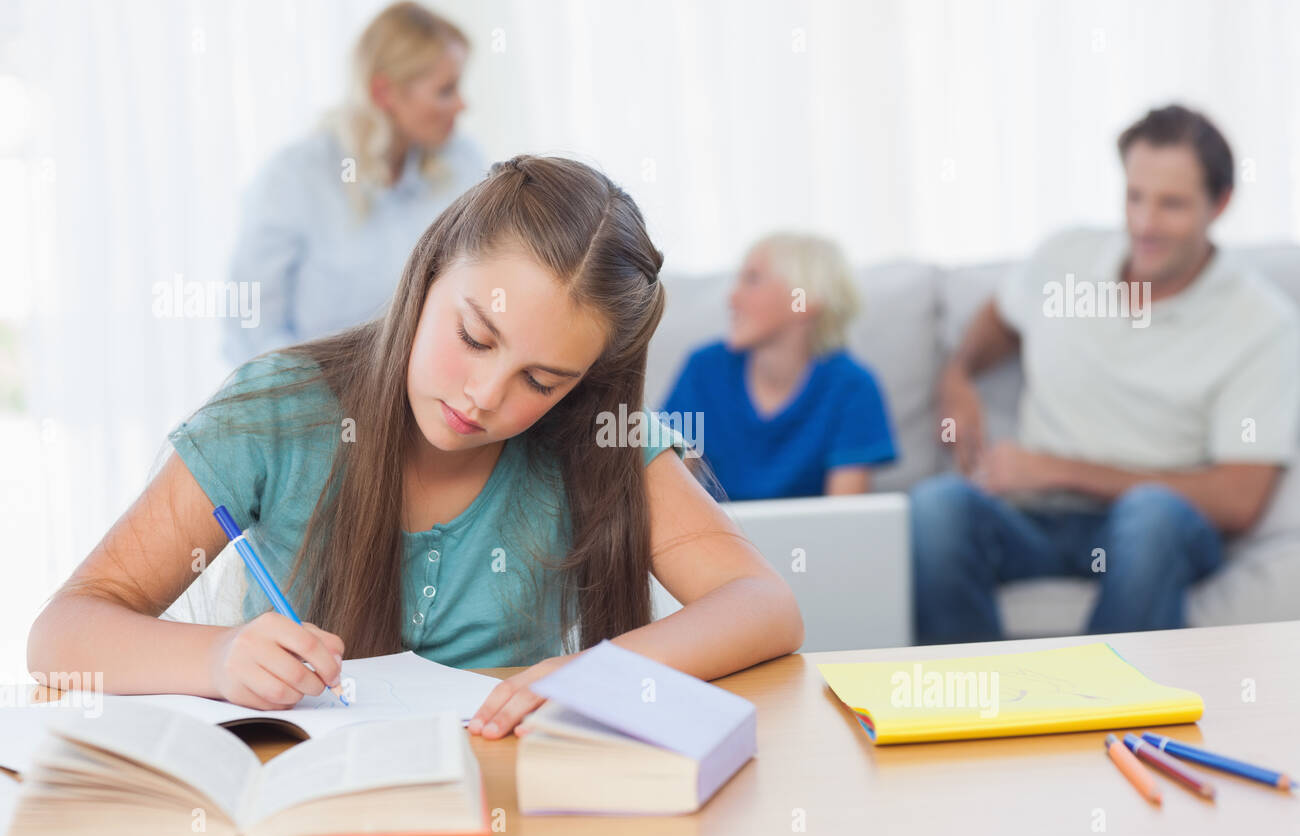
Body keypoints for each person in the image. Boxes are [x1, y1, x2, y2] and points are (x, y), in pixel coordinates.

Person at [28, 156, 804, 740]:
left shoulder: (594, 439)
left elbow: (764, 604)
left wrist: (601, 673)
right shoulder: (275, 412)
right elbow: (61, 636)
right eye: (473, 336)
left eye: (541, 379)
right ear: (427, 272)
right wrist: (217, 660)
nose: (485, 395)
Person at [912, 104, 1300, 644]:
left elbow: (1238, 499)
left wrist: (1056, 469)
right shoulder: (1068, 257)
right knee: (937, 506)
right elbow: (999, 319)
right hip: (1032, 520)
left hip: (1153, 528)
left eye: (1172, 205)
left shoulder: (1260, 323)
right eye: (1134, 197)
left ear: (1221, 204)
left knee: (1151, 516)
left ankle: (1103, 716)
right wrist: (957, 377)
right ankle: (970, 716)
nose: (1144, 225)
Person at [223, 2, 488, 367]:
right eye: (445, 90)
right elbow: (250, 327)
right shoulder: (294, 178)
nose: (462, 105)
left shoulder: (464, 163)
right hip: (315, 399)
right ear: (384, 94)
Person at [658, 232, 896, 501]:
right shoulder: (703, 370)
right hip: (717, 540)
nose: (732, 298)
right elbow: (668, 493)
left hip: (810, 543)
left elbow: (845, 522)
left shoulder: (853, 388)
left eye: (753, 279)